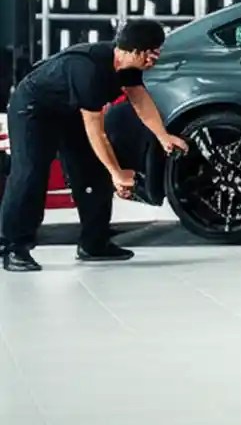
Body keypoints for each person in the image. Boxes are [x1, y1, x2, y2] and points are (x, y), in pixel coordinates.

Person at [0, 19, 188, 272]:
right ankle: (14, 248)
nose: (154, 58)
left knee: (91, 172)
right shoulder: (89, 69)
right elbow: (96, 132)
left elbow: (140, 100)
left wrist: (164, 137)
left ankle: (94, 243)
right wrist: (117, 173)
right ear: (134, 51)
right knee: (30, 173)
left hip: (69, 110)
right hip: (33, 111)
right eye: (151, 53)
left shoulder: (127, 65)